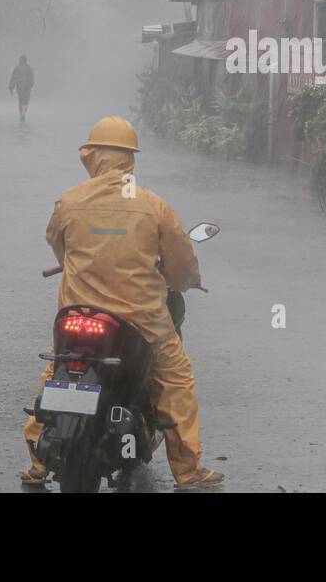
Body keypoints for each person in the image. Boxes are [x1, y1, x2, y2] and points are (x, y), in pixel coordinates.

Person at [21, 116, 224, 490]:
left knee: (59, 369)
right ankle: (188, 470)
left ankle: (37, 462)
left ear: (92, 155)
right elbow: (179, 266)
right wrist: (184, 281)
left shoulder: (69, 201)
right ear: (130, 158)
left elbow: (59, 247)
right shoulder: (152, 206)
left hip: (77, 315)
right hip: (141, 321)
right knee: (176, 378)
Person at [9, 55, 34, 122]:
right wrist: (31, 85)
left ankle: (22, 115)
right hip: (26, 87)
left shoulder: (17, 68)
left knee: (21, 101)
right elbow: (32, 78)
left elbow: (13, 78)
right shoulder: (29, 68)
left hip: (20, 86)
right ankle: (23, 114)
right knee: (25, 102)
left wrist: (11, 87)